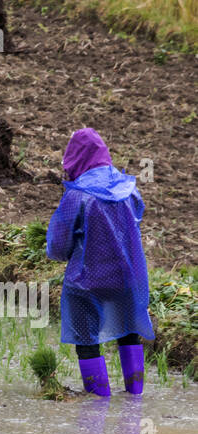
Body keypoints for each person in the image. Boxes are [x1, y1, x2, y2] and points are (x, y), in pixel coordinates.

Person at [46, 128, 152, 397]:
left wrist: (59, 254)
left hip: (86, 281)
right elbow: (134, 224)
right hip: (128, 276)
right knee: (129, 331)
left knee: (87, 339)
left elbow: (59, 245)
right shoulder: (129, 190)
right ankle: (134, 397)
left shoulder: (77, 195)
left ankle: (97, 403)